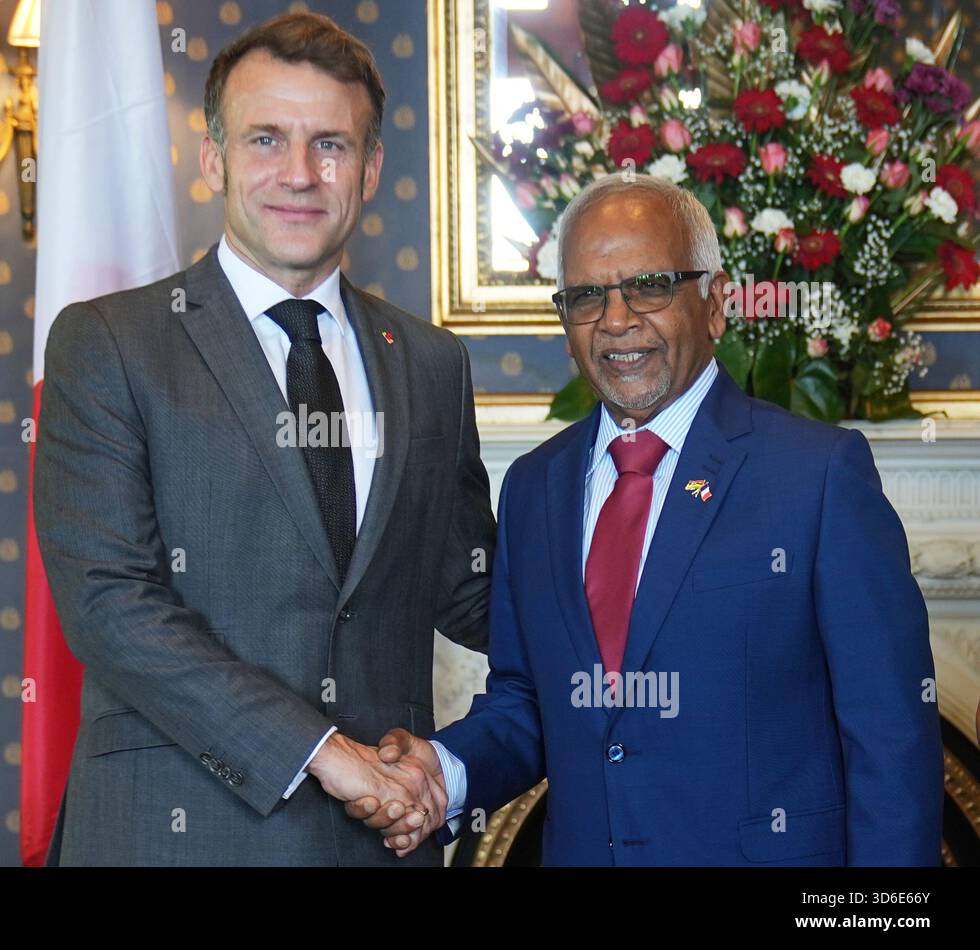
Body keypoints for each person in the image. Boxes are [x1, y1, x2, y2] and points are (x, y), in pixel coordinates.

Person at [352, 173, 943, 866]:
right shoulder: (534, 488)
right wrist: (442, 771)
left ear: (715, 304)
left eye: (650, 286)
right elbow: (531, 701)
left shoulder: (817, 476)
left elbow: (891, 737)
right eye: (586, 297)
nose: (617, 319)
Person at [33, 12, 493, 865]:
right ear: (213, 158)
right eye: (265, 139)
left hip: (381, 840)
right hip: (172, 833)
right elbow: (110, 607)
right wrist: (325, 755)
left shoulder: (431, 363)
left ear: (371, 167)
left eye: (331, 145)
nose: (299, 174)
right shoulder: (110, 343)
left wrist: (652, 614)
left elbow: (470, 590)